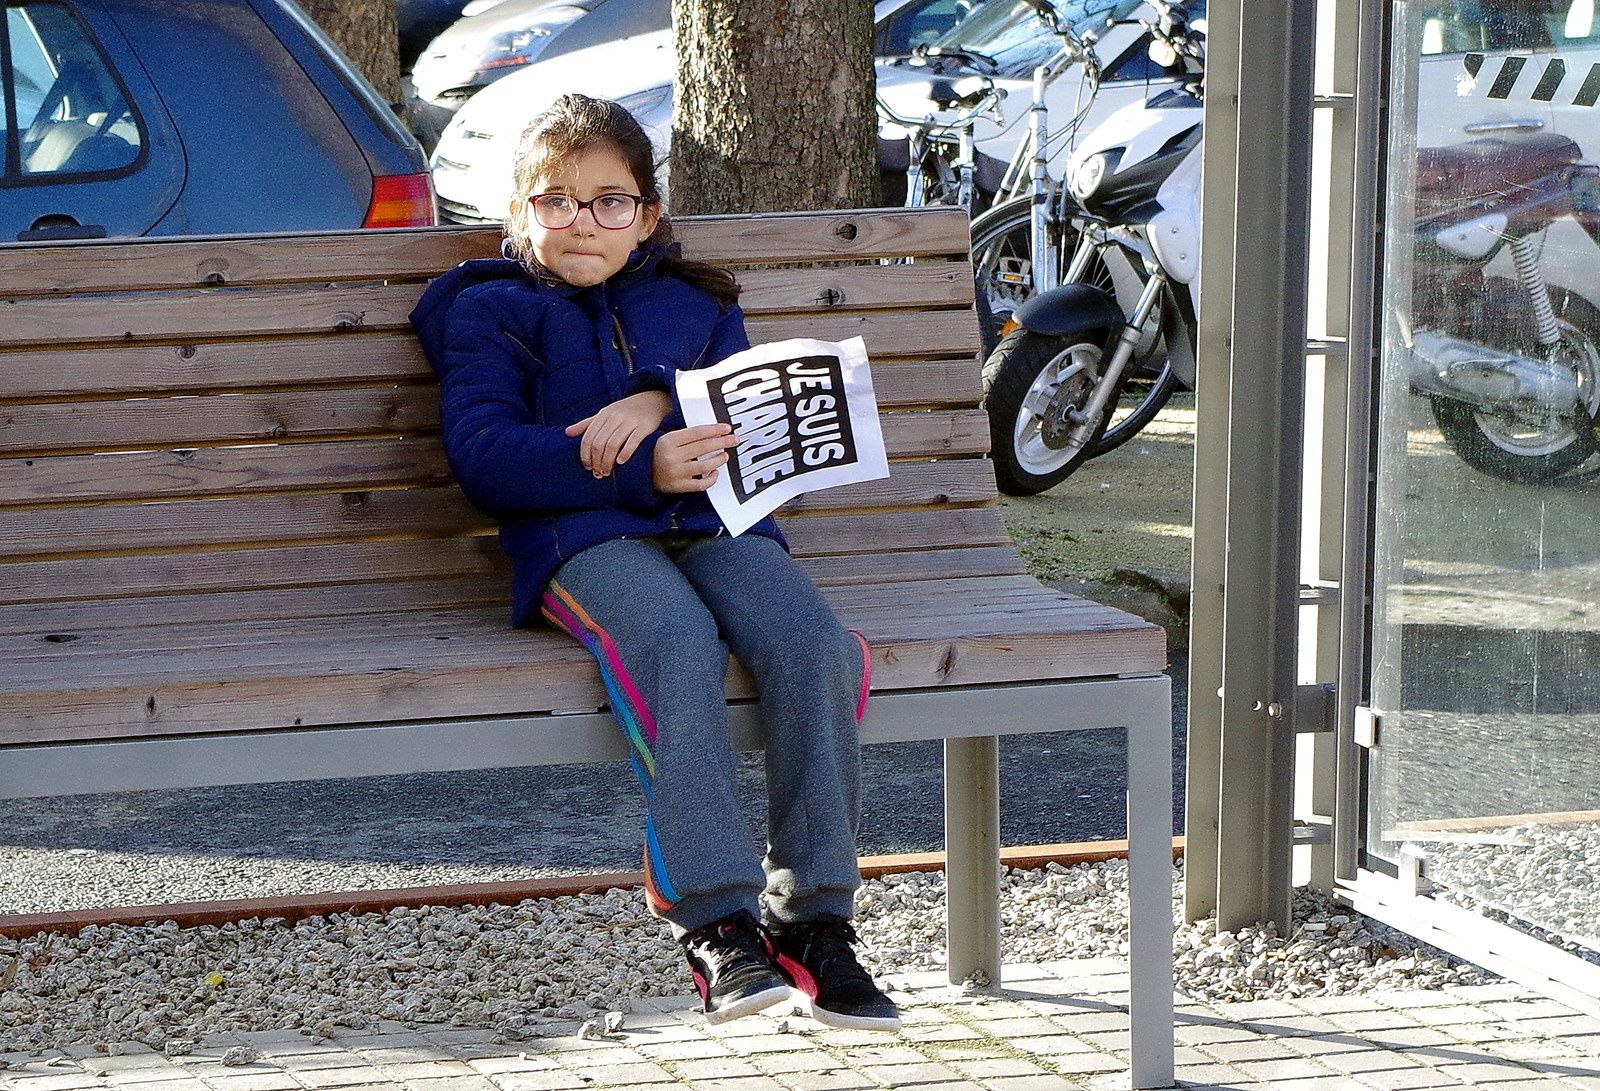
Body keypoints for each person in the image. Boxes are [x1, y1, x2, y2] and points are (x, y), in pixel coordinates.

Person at [409, 94, 900, 1032]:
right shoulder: (489, 313)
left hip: (723, 530)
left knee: (814, 645)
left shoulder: (698, 304)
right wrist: (642, 461)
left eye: (610, 201)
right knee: (674, 639)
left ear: (648, 217)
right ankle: (718, 925)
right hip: (580, 540)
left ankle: (817, 921)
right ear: (519, 213)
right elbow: (485, 454)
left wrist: (658, 402)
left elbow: (744, 419)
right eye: (554, 200)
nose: (582, 221)